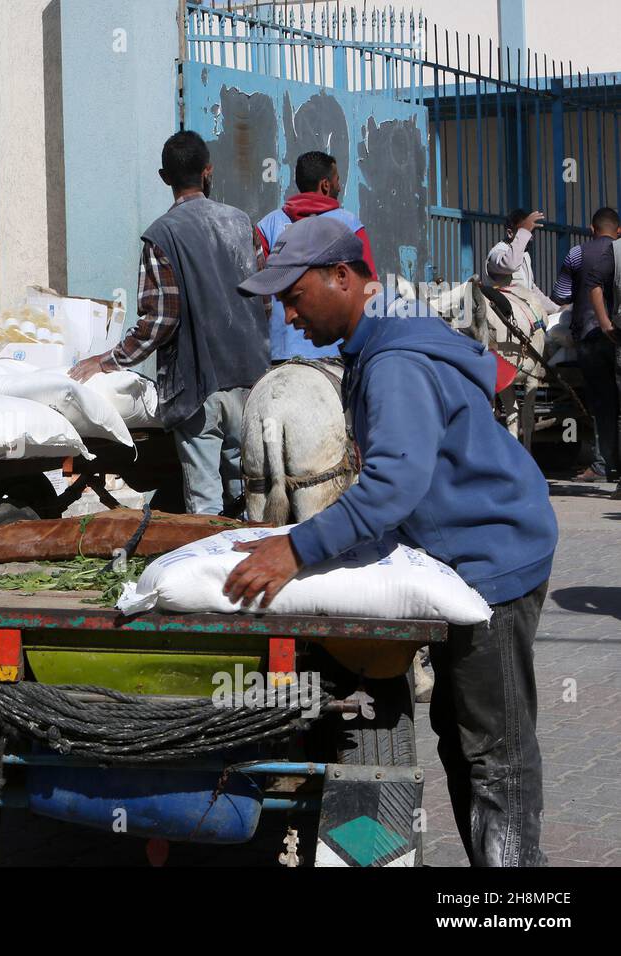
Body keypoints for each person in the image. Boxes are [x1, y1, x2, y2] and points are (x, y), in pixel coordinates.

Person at [224, 215, 558, 867]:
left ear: (342, 278)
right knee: (464, 737)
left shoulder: (394, 361)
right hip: (470, 549)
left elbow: (391, 485)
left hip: (494, 557)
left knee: (495, 752)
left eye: (295, 296)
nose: (291, 317)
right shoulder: (385, 340)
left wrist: (293, 550)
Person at [69, 131, 269, 516]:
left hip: (198, 386)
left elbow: (161, 319)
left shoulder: (162, 236)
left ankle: (208, 569)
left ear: (165, 177)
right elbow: (265, 300)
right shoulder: (242, 224)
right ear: (208, 172)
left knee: (205, 505)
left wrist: (106, 361)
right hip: (250, 380)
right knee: (248, 491)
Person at [254, 151, 377, 362]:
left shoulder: (267, 225)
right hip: (334, 352)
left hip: (279, 351)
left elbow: (261, 293)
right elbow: (369, 288)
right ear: (325, 185)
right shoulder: (349, 225)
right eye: (337, 180)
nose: (339, 186)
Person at [550, 207, 620, 483]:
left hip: (590, 336)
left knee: (602, 402)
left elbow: (560, 294)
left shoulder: (577, 253)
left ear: (591, 229)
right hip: (618, 334)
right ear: (618, 231)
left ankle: (604, 464)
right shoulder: (618, 253)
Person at [483, 208, 558, 315]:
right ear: (510, 233)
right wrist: (524, 232)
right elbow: (511, 265)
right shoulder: (497, 253)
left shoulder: (524, 254)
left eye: (531, 232)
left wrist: (556, 309)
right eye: (525, 232)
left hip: (523, 320)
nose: (529, 237)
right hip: (504, 320)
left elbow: (530, 289)